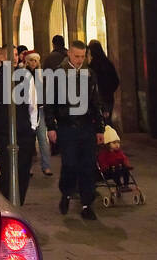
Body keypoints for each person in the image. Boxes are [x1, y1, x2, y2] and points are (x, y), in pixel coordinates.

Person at [44, 39, 105, 221]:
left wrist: (100, 128)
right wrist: (51, 126)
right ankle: (67, 193)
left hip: (86, 126)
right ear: (69, 54)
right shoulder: (57, 75)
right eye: (76, 56)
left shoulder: (89, 75)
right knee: (70, 164)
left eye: (82, 56)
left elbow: (96, 102)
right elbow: (50, 102)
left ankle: (87, 204)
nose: (79, 60)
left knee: (87, 166)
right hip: (66, 126)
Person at [0, 44, 38, 204]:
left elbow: (33, 104)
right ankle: (9, 203)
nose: (14, 58)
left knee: (23, 170)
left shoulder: (26, 77)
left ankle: (19, 201)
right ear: (3, 57)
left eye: (16, 54)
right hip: (4, 132)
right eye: (10, 55)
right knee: (6, 171)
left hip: (24, 132)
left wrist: (32, 127)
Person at [25, 51, 53, 175]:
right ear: (27, 61)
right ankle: (28, 167)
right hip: (28, 110)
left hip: (40, 109)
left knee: (42, 138)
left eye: (35, 60)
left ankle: (46, 166)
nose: (33, 63)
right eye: (31, 60)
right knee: (29, 140)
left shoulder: (42, 75)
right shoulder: (23, 74)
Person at [87, 41, 120, 125]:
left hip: (98, 99)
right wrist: (109, 91)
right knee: (107, 122)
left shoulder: (92, 66)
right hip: (108, 98)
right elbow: (116, 81)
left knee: (99, 123)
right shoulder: (108, 63)